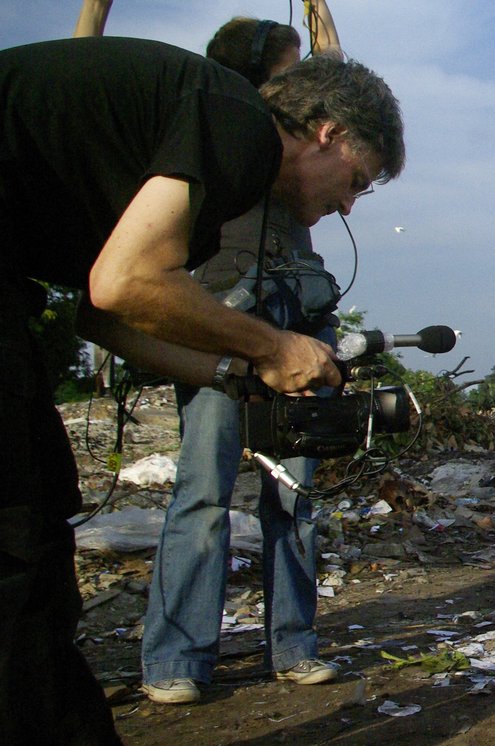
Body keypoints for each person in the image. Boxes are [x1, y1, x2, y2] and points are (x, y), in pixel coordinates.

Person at [0, 31, 403, 746]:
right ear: (327, 133)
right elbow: (126, 282)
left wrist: (235, 372)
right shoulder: (236, 123)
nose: (349, 205)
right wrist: (271, 343)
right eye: (358, 179)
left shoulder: (212, 174)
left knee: (32, 527)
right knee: (18, 547)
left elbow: (107, 315)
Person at [72, 1, 355, 706]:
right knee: (204, 489)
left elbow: (343, 86)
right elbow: (85, 62)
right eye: (290, 71)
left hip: (301, 309)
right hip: (224, 312)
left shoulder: (303, 149)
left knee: (295, 493)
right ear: (253, 70)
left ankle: (294, 646)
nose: (304, 86)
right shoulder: (220, 131)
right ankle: (176, 660)